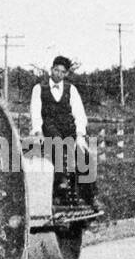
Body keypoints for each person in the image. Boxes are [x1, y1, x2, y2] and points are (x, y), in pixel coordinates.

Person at [29, 55, 93, 205]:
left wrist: (80, 135)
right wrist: (38, 131)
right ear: (51, 69)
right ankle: (61, 183)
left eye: (62, 72)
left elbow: (79, 114)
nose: (58, 74)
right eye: (56, 70)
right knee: (57, 144)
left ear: (66, 74)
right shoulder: (39, 88)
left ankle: (90, 196)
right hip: (49, 128)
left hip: (68, 129)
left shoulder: (72, 89)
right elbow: (35, 111)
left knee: (85, 155)